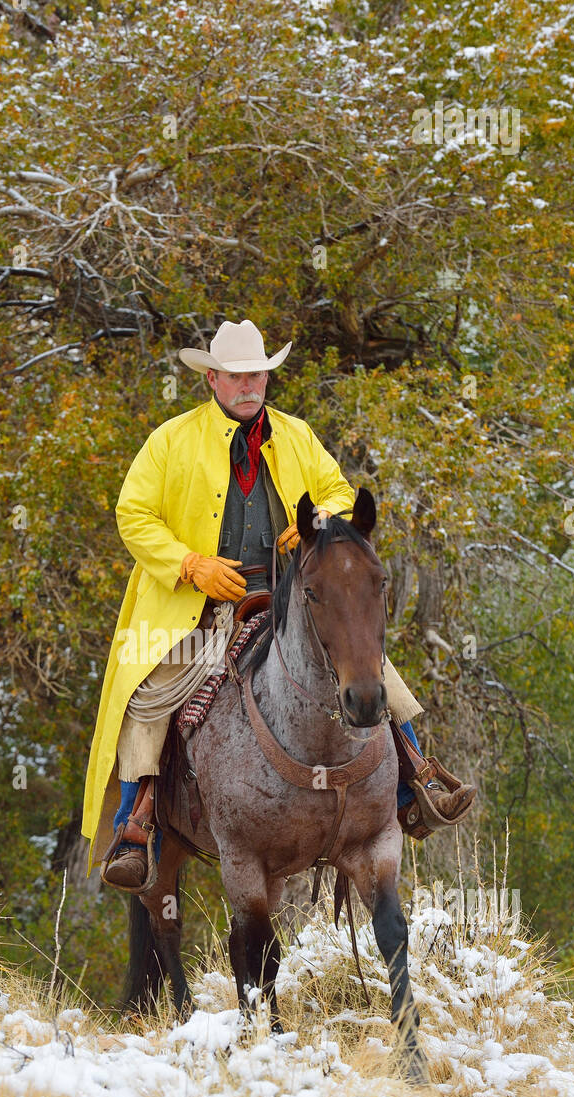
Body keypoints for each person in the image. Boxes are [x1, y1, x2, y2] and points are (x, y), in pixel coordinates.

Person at [81, 319, 476, 890]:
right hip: (194, 608)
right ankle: (135, 826)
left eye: (258, 374)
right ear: (212, 379)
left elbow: (339, 491)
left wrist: (313, 524)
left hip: (290, 598)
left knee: (367, 662)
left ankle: (416, 779)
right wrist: (192, 565)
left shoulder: (295, 435)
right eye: (238, 375)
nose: (249, 385)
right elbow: (132, 515)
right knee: (147, 695)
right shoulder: (170, 441)